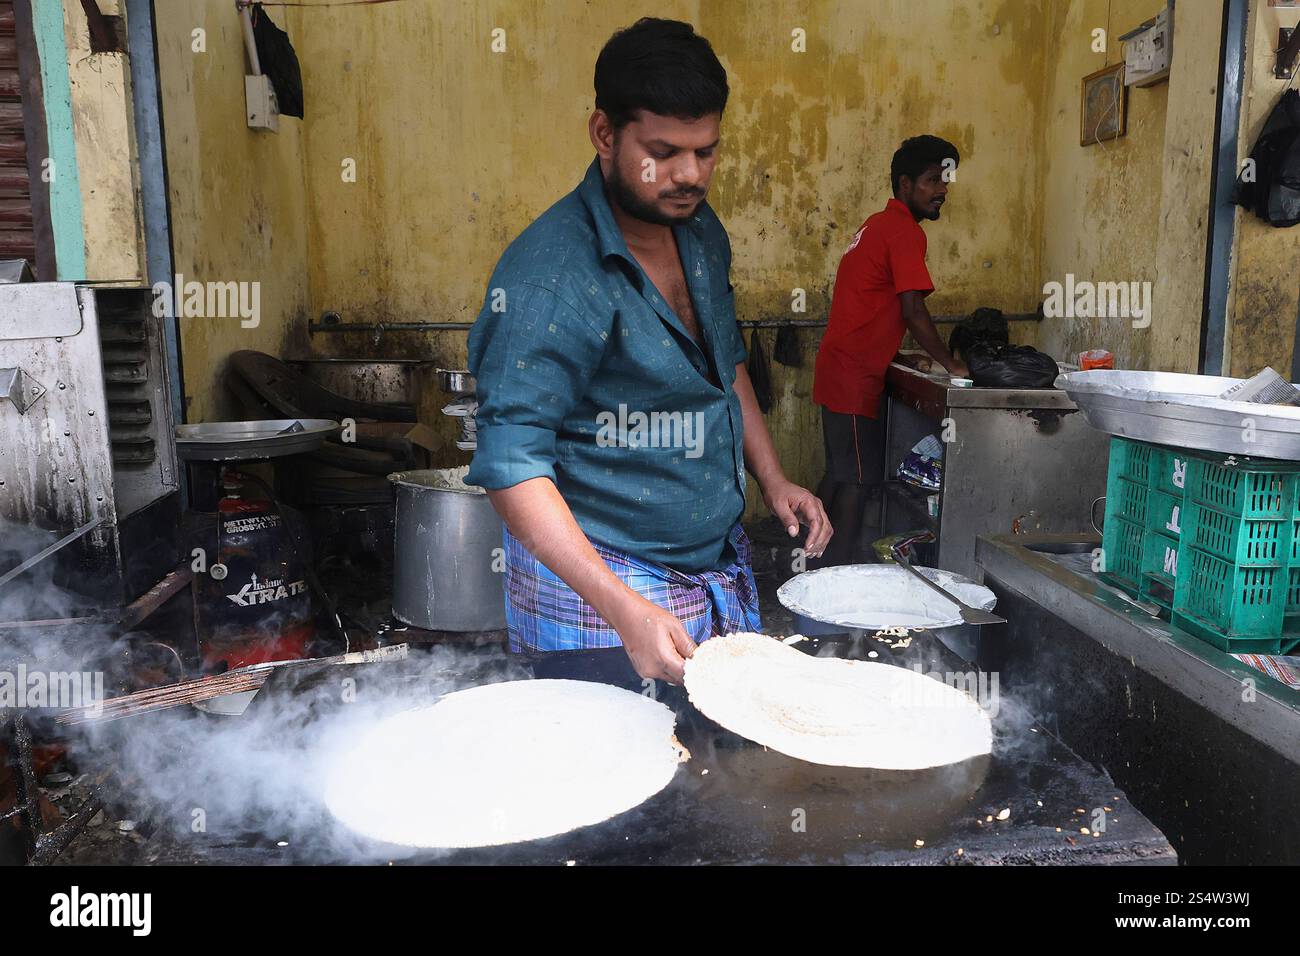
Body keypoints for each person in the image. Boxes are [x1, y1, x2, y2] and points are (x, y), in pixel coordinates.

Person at [467, 18, 831, 684]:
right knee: (610, 775)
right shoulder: (549, 275)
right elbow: (510, 467)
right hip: (597, 585)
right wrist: (623, 606)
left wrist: (772, 478)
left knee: (707, 768)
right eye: (663, 152)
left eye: (706, 151)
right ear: (605, 134)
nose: (689, 175)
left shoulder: (698, 231)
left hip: (710, 560)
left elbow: (725, 368)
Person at [810, 135, 969, 567]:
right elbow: (913, 309)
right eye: (932, 180)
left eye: (946, 180)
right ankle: (835, 582)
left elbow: (877, 307)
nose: (942, 190)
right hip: (854, 378)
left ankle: (807, 568)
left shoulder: (876, 225)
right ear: (904, 184)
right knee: (858, 483)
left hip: (839, 368)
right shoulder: (903, 232)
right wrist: (950, 363)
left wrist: (904, 353)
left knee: (840, 475)